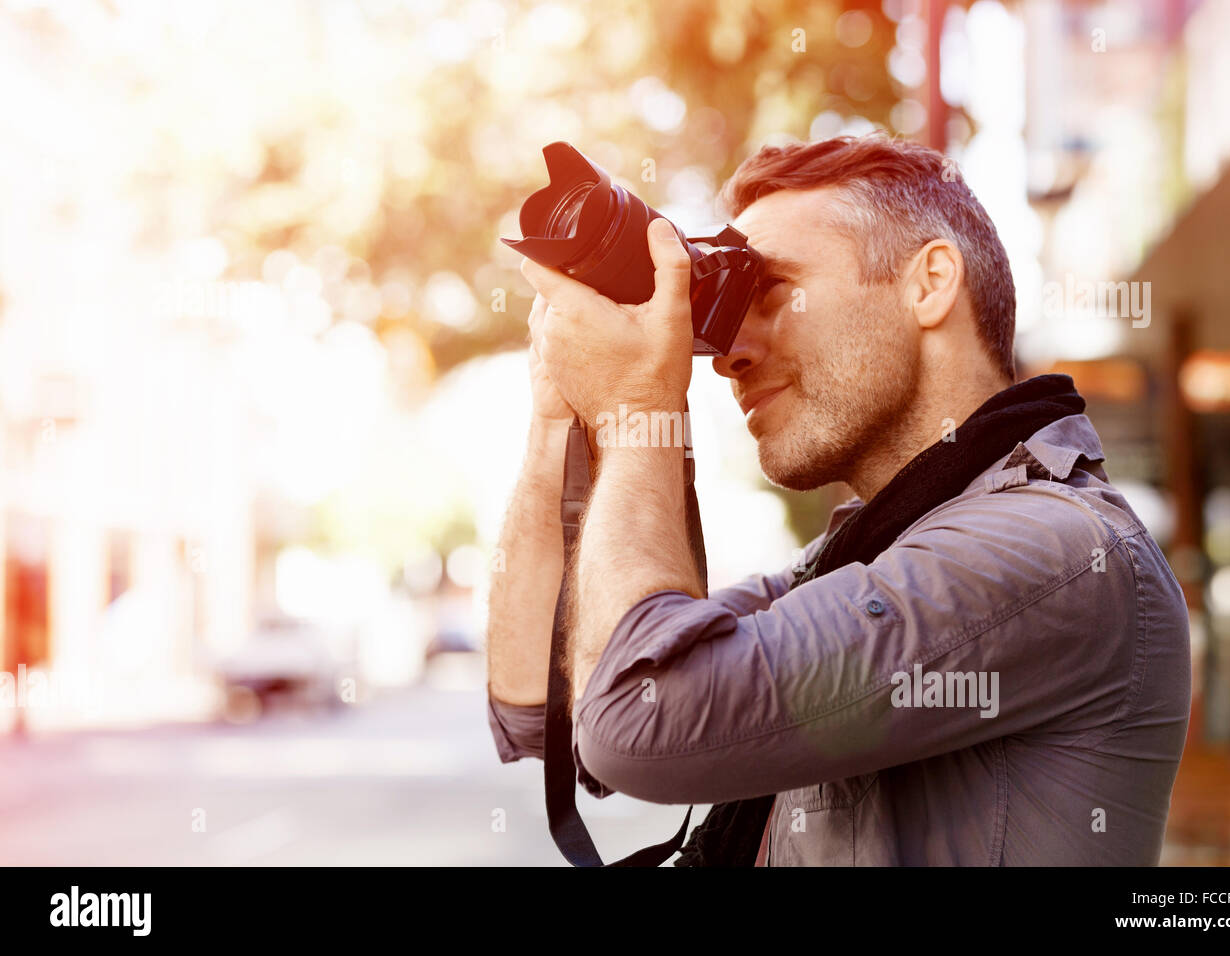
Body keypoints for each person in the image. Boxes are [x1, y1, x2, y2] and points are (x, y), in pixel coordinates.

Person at [485, 134, 1191, 866]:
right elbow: (540, 706)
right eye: (728, 305)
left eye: (771, 290)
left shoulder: (1053, 549)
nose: (730, 355)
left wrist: (635, 408)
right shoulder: (860, 557)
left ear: (930, 283)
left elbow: (639, 719)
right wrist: (557, 419)